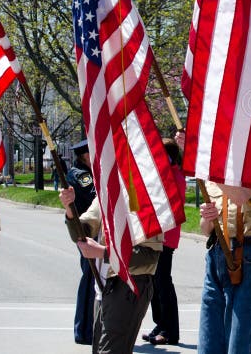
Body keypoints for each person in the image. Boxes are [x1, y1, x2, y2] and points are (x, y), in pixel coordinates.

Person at [59, 186, 163, 353]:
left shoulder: (145, 192)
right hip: (103, 287)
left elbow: (149, 257)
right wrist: (70, 208)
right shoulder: (107, 185)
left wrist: (103, 253)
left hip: (128, 285)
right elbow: (81, 231)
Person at [198, 181, 251, 354]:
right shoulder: (214, 176)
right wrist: (207, 217)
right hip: (216, 256)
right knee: (208, 346)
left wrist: (215, 170)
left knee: (240, 347)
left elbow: (241, 197)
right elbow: (206, 229)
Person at [142, 139, 187, 345]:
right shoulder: (163, 173)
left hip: (166, 236)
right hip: (154, 235)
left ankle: (170, 330)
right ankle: (161, 322)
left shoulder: (174, 175)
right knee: (154, 282)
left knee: (163, 282)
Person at [67, 139, 97, 345]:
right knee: (90, 278)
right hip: (86, 230)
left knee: (93, 278)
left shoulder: (86, 171)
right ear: (85, 155)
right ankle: (84, 330)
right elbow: (95, 193)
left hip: (90, 228)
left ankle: (89, 327)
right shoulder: (81, 175)